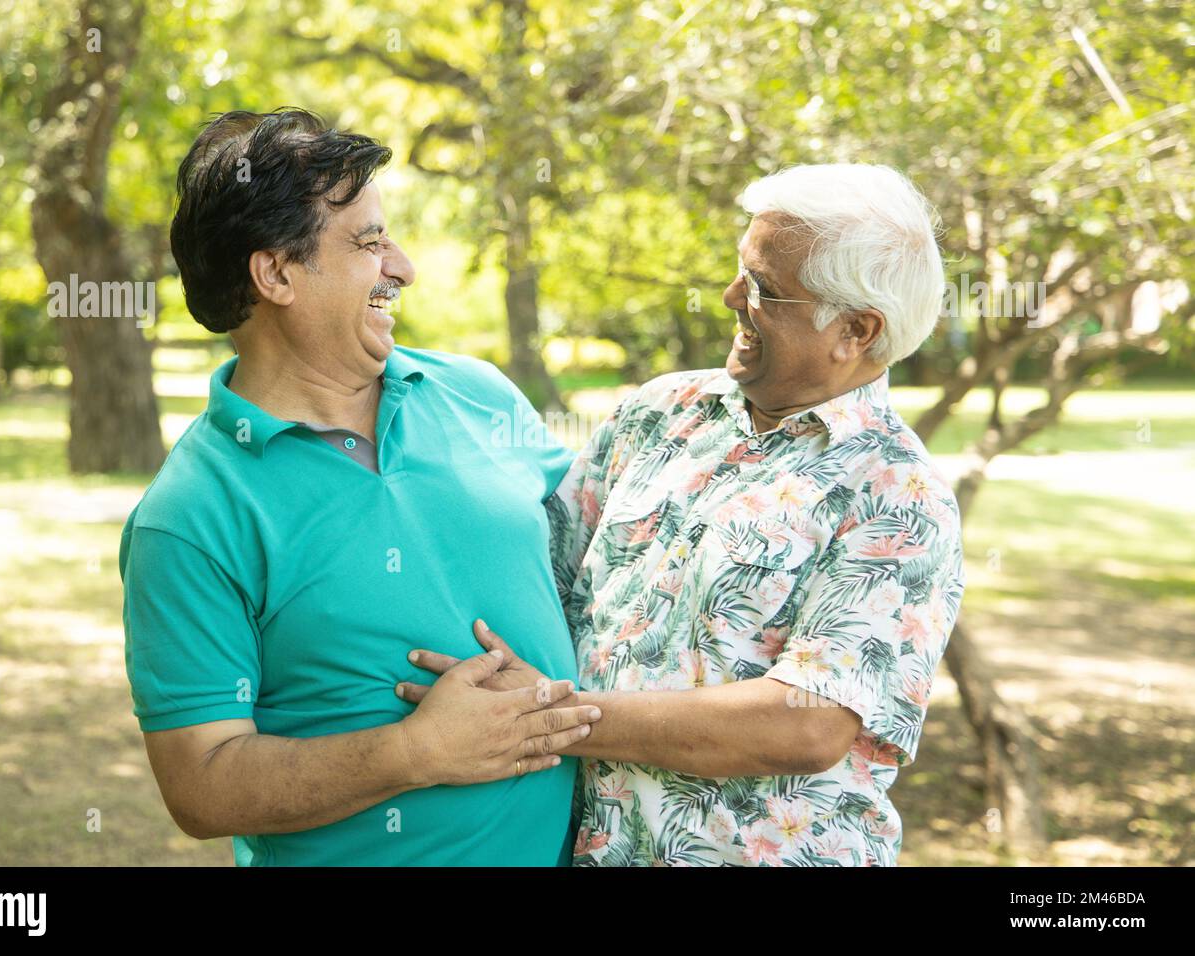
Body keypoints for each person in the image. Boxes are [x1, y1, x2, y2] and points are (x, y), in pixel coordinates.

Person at [400, 163, 966, 866]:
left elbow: (806, 723)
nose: (731, 296)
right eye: (740, 270)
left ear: (855, 329)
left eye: (763, 288)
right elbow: (536, 574)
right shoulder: (660, 412)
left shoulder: (898, 494)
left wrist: (547, 714)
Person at [120, 108, 598, 866]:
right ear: (275, 272)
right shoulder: (190, 516)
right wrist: (416, 751)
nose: (402, 266)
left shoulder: (480, 395)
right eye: (370, 243)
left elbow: (614, 555)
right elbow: (201, 786)